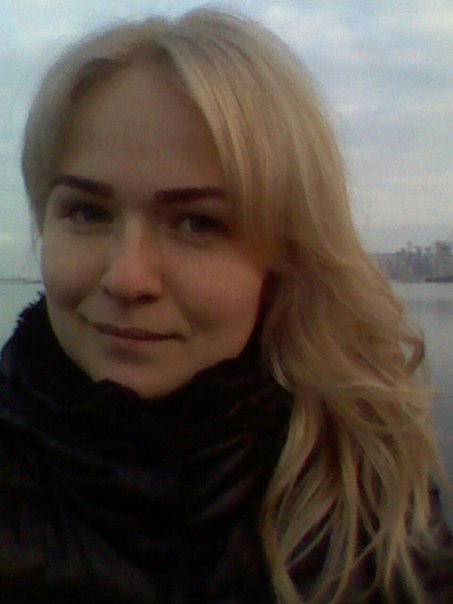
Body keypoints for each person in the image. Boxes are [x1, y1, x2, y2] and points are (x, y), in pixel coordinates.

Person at [1, 8, 452, 604]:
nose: (127, 278)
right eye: (87, 212)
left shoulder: (376, 515)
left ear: (286, 257)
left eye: (197, 223)